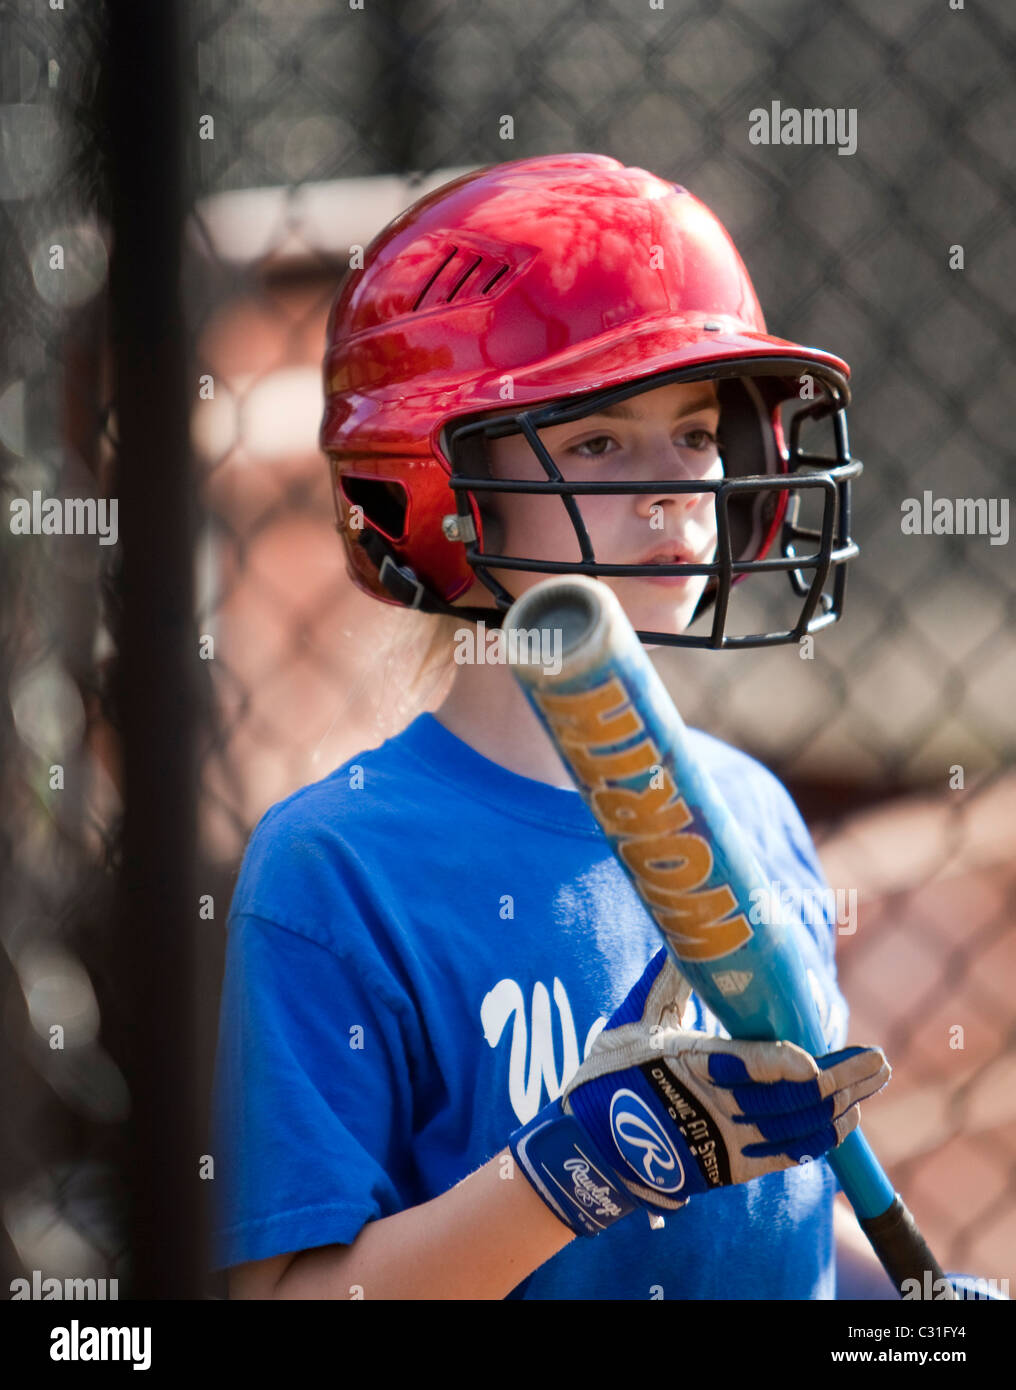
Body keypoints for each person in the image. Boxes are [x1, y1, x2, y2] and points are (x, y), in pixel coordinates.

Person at [210, 153, 897, 1300]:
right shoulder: (338, 868)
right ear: (438, 485)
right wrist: (573, 1170)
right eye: (596, 442)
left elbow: (765, 1233)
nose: (674, 487)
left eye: (693, 429)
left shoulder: (753, 812)